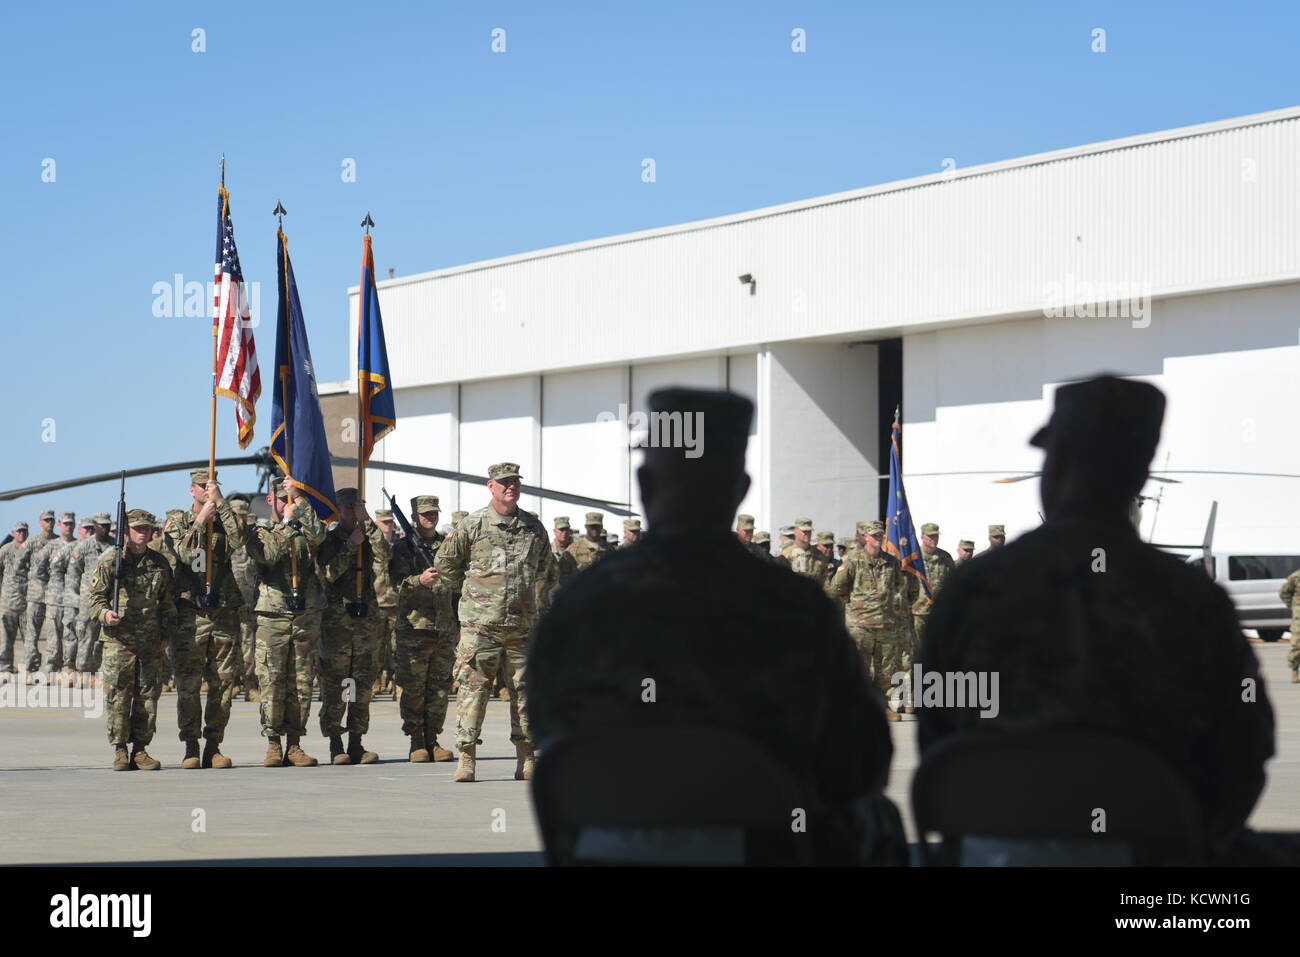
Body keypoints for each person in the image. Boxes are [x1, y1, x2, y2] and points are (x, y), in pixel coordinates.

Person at [530, 389, 897, 864]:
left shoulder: (580, 603)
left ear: (645, 484)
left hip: (608, 846)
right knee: (878, 818)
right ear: (740, 488)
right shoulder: (795, 607)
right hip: (763, 846)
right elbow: (861, 759)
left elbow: (550, 735)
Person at [918, 374, 1275, 860]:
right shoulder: (1194, 600)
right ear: (1143, 471)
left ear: (1058, 459)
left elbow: (935, 737)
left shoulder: (974, 588)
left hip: (993, 851)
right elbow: (1244, 752)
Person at [435, 463, 557, 782]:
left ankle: (527, 758)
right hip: (481, 628)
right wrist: (469, 600)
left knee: (527, 692)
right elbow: (446, 564)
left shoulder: (533, 527)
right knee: (472, 692)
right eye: (504, 482)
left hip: (523, 627)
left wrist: (538, 607)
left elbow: (548, 571)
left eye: (515, 481)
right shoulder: (473, 525)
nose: (510, 487)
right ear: (491, 486)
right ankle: (466, 757)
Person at [233, 477, 328, 768]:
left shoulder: (307, 530)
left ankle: (295, 744)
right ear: (271, 501)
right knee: (272, 682)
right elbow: (270, 555)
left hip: (304, 616)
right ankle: (273, 743)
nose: (288, 504)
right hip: (273, 616)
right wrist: (287, 523)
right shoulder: (259, 531)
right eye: (283, 499)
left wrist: (300, 501)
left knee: (301, 684)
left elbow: (320, 535)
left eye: (291, 499)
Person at [165, 471, 245, 770]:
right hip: (191, 614)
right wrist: (201, 521)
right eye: (203, 486)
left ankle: (214, 745)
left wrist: (221, 505)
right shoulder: (177, 521)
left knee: (223, 683)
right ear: (191, 490)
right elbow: (186, 553)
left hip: (222, 612)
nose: (208, 490)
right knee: (188, 684)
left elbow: (240, 539)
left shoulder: (225, 519)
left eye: (212, 486)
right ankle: (190, 746)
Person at [89, 508, 178, 771]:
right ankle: (120, 750)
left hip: (150, 642)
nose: (144, 534)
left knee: (147, 697)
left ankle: (140, 750)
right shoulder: (111, 561)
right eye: (138, 529)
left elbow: (167, 603)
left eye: (147, 529)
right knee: (118, 696)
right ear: (126, 531)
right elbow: (95, 599)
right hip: (120, 640)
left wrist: (165, 634)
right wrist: (105, 615)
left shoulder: (159, 564)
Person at [315, 488, 388, 765]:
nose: (351, 512)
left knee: (361, 684)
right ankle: (336, 743)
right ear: (338, 509)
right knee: (337, 685)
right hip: (338, 625)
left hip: (365, 623)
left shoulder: (368, 536)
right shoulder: (329, 540)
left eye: (355, 507)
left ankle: (356, 742)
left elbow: (384, 552)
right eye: (347, 508)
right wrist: (349, 547)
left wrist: (367, 521)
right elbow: (330, 574)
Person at [389, 495, 458, 762]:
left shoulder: (448, 546)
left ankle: (434, 738)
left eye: (433, 513)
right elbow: (394, 585)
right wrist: (419, 580)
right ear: (414, 516)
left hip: (443, 626)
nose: (430, 517)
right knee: (414, 688)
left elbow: (457, 586)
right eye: (425, 513)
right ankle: (417, 740)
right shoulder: (402, 548)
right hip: (415, 628)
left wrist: (458, 623)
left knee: (439, 688)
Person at [825, 520, 917, 718]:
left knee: (885, 670)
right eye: (873, 535)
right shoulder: (853, 560)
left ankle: (882, 707)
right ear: (865, 536)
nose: (878, 538)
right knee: (860, 668)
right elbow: (836, 588)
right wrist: (855, 605)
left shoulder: (891, 562)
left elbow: (904, 587)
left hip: (885, 624)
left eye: (879, 535)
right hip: (861, 625)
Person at [22, 509, 59, 674]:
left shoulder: (59, 542)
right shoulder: (31, 542)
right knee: (31, 634)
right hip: (35, 595)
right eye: (46, 520)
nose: (49, 523)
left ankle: (51, 669)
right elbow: (18, 565)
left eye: (51, 520)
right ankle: (30, 668)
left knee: (53, 635)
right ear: (40, 522)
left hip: (54, 595)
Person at [911, 522, 955, 645]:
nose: (933, 539)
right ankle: (919, 666)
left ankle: (935, 666)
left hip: (939, 612)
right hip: (918, 612)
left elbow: (952, 582)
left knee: (939, 646)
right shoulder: (914, 558)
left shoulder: (945, 557)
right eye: (930, 536)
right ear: (922, 537)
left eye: (935, 536)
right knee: (917, 649)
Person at [371, 507, 399, 695]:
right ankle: (376, 683)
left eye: (389, 521)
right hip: (378, 603)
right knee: (376, 647)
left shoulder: (400, 546)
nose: (387, 525)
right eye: (383, 522)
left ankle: (396, 683)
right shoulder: (370, 547)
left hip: (397, 604)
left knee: (397, 648)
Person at [0, 521, 32, 677]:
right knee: (6, 638)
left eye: (24, 531)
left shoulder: (31, 550)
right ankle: (5, 667)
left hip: (27, 601)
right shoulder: (5, 550)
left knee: (29, 638)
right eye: (19, 531)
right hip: (8, 601)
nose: (21, 534)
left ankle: (28, 668)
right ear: (13, 533)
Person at [780, 518, 829, 585]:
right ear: (795, 532)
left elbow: (825, 579)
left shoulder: (819, 555)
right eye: (803, 531)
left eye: (809, 531)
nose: (806, 534)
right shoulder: (786, 554)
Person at [1282, 569, 1300, 683]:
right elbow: (1284, 592)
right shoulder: (1296, 577)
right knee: (1298, 644)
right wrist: (1292, 606)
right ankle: (1294, 670)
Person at [550, 517, 579, 587]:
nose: (564, 532)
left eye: (566, 529)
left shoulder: (577, 549)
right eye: (561, 529)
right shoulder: (548, 550)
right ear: (554, 531)